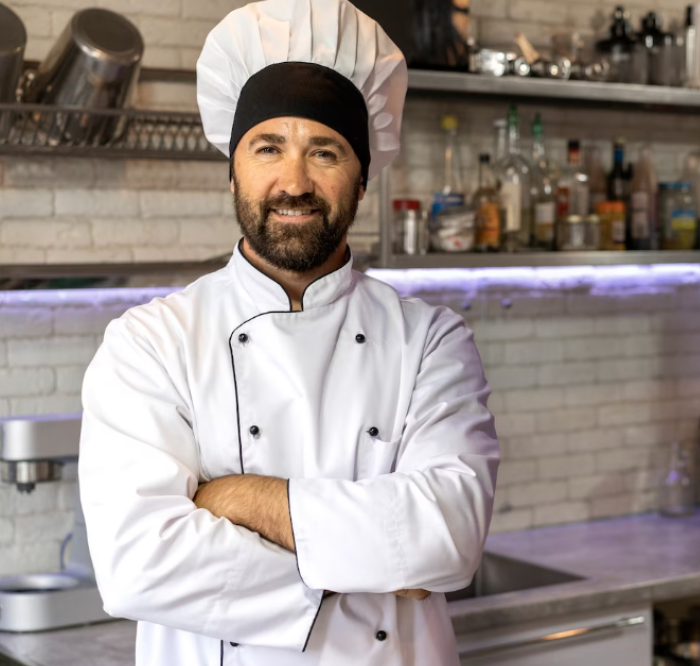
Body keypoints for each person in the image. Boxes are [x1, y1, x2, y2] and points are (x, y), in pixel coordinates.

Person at [77, 1, 499, 664]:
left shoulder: (430, 342)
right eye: (268, 148)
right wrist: (383, 567)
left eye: (325, 152)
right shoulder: (151, 343)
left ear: (362, 180)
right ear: (233, 169)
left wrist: (240, 498)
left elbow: (449, 539)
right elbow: (138, 565)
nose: (293, 182)